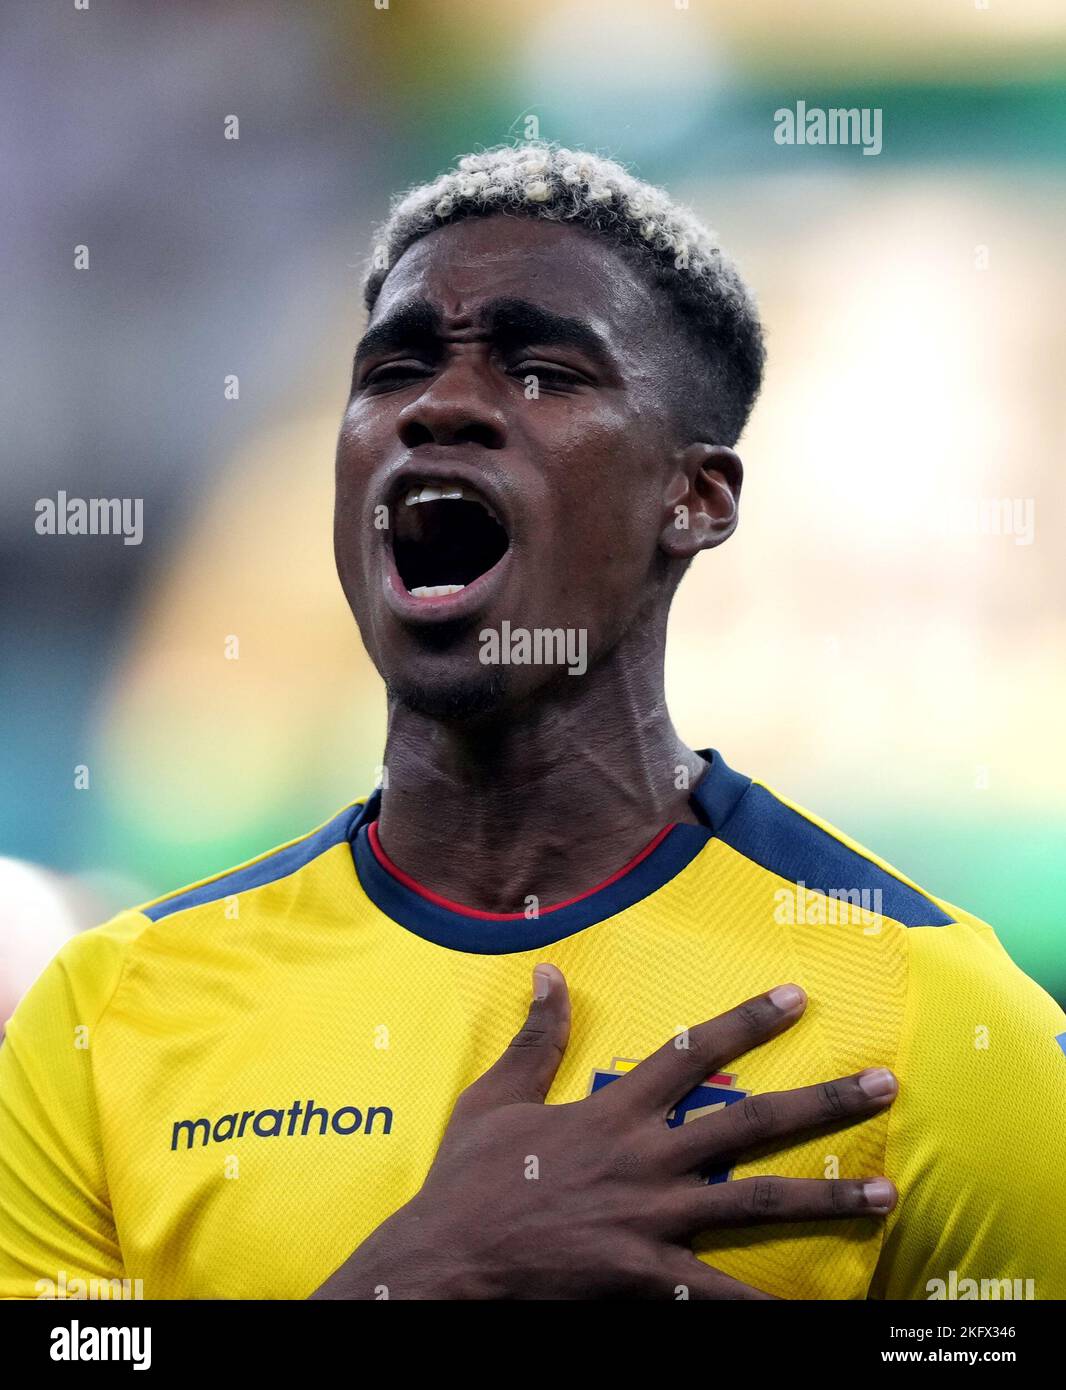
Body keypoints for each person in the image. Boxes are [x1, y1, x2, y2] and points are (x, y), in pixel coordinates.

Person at [2, 144, 1063, 1301]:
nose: (440, 406)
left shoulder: (937, 1019)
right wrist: (419, 1277)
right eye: (394, 369)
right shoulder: (108, 1010)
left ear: (695, 498)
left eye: (545, 371)